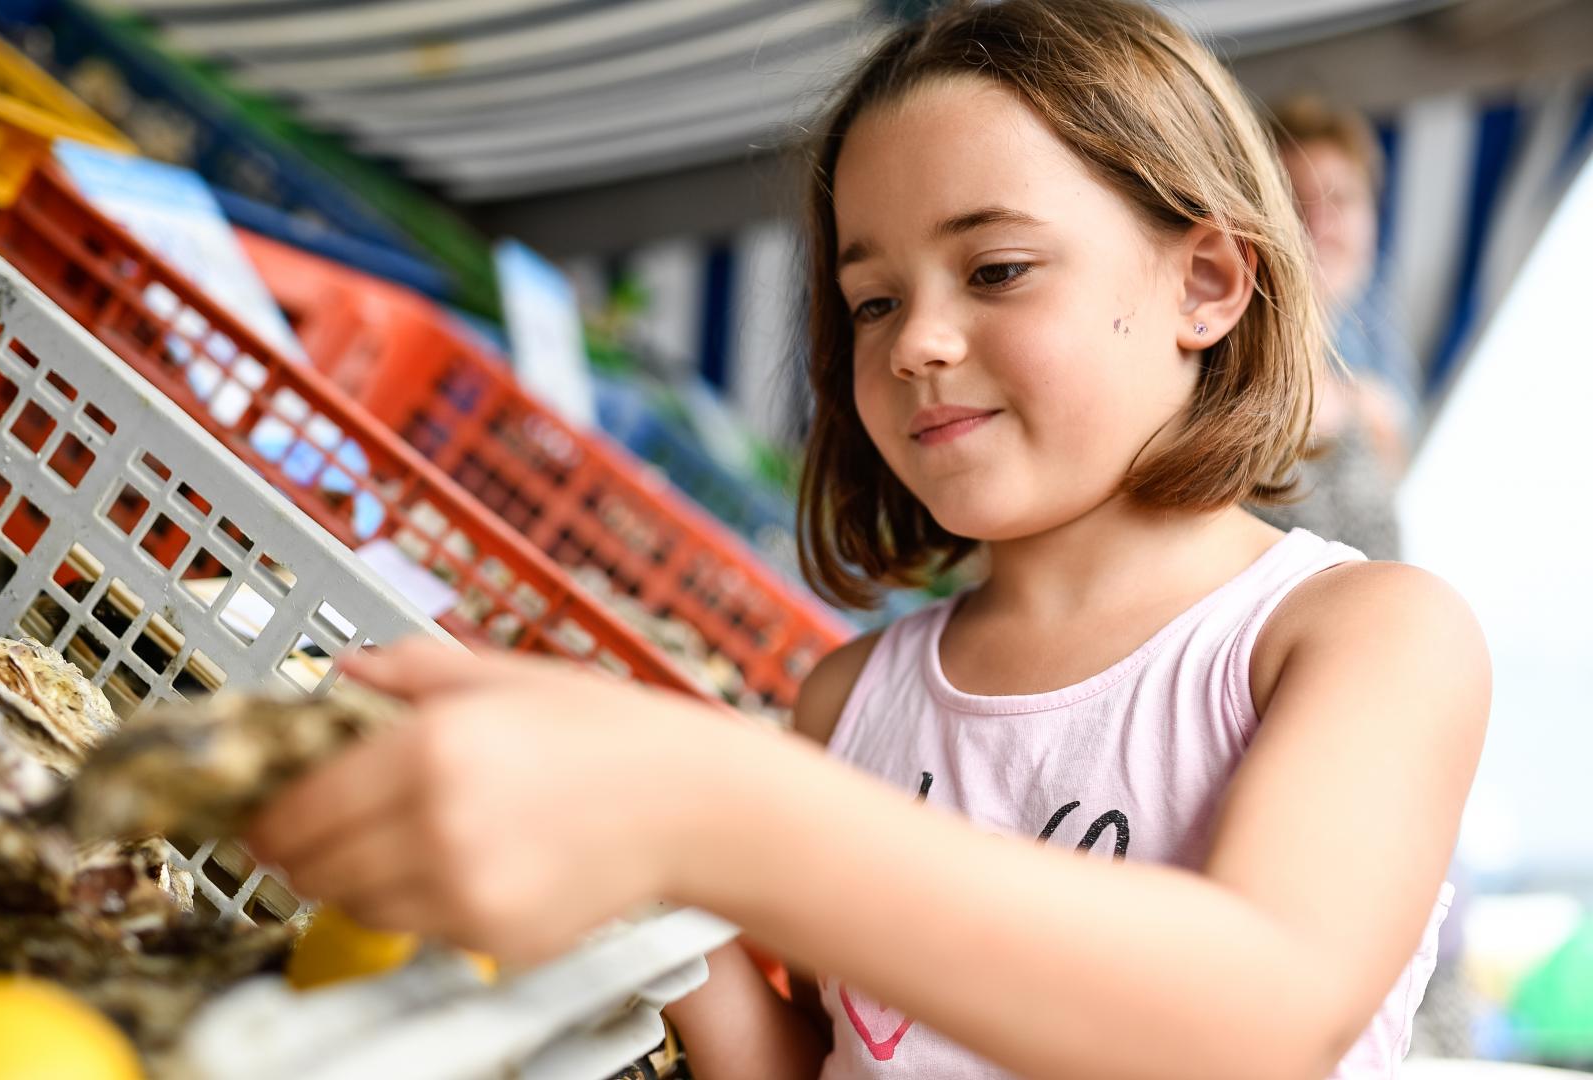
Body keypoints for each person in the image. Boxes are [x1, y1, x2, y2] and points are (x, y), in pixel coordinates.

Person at [244, 2, 1490, 1076]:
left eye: (996, 269)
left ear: (1207, 285)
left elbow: (1261, 1017)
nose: (914, 343)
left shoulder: (1363, 636)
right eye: (872, 300)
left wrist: (702, 803)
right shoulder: (852, 700)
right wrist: (653, 899)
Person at [1258, 96, 1421, 560]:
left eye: (1341, 198)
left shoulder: (1375, 413)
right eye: (1292, 199)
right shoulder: (1213, 391)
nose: (1319, 223)